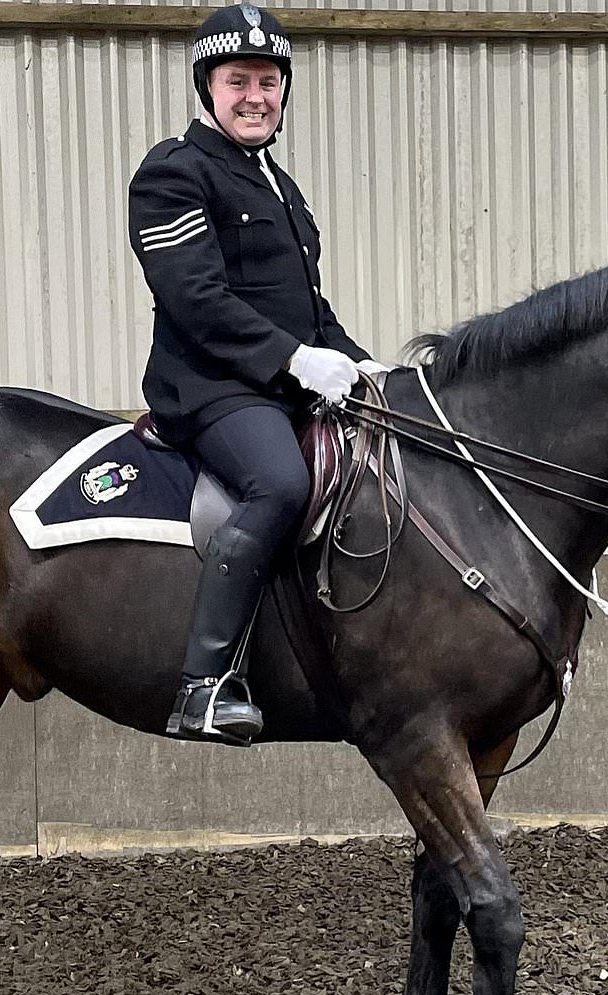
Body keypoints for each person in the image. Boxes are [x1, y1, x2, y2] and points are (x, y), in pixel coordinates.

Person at [128, 2, 386, 744]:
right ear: (208, 87)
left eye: (268, 81)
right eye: (238, 79)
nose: (255, 95)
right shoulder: (173, 172)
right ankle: (203, 685)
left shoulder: (281, 185)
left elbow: (308, 307)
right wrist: (296, 360)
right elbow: (195, 298)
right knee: (281, 483)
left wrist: (357, 360)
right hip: (211, 390)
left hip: (281, 386)